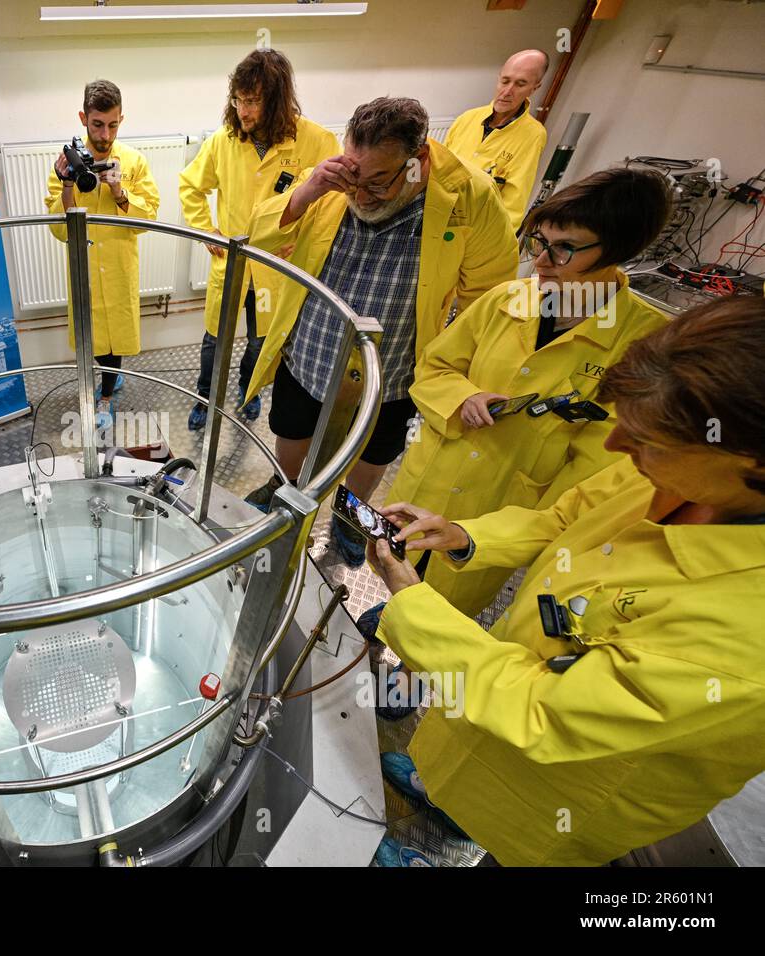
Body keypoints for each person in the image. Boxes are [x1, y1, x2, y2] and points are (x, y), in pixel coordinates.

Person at [366, 295, 765, 866]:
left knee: (503, 832)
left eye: (647, 441)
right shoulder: (687, 476)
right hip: (499, 701)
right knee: (461, 765)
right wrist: (466, 536)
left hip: (557, 791)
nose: (615, 447)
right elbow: (562, 516)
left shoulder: (744, 634)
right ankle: (441, 794)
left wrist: (410, 603)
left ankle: (449, 849)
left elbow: (544, 711)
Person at [382, 166, 673, 617]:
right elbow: (435, 365)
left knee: (445, 609)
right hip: (431, 476)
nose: (538, 262)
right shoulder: (506, 300)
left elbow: (596, 476)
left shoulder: (644, 348)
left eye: (563, 250)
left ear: (616, 252)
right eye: (538, 241)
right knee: (393, 563)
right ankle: (388, 613)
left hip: (500, 511)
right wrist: (462, 398)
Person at [242, 97, 518, 567]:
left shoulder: (469, 197)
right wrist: (308, 191)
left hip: (392, 370)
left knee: (375, 447)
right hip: (310, 347)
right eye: (353, 179)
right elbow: (259, 238)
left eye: (377, 183)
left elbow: (490, 296)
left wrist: (465, 375)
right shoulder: (331, 179)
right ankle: (281, 490)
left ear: (419, 162)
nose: (361, 196)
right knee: (291, 427)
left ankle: (350, 519)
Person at [179, 49, 339, 430]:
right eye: (238, 100)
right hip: (231, 261)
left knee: (259, 341)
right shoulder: (224, 141)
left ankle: (248, 391)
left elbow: (334, 205)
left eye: (252, 101)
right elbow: (190, 187)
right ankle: (205, 396)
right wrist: (207, 230)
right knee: (215, 338)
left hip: (277, 268)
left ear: (278, 100)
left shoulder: (316, 142)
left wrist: (300, 240)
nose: (243, 111)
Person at [46, 79, 160, 430]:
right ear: (83, 118)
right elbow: (59, 226)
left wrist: (119, 190)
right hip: (85, 265)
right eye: (97, 124)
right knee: (92, 333)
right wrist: (68, 184)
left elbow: (148, 219)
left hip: (119, 262)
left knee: (117, 334)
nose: (105, 134)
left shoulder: (134, 162)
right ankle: (109, 374)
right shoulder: (68, 162)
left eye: (112, 124)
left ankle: (106, 395)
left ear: (121, 120)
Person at [444, 50, 550, 227]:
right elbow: (438, 167)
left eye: (520, 84)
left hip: (473, 226)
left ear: (535, 87)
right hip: (438, 211)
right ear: (499, 77)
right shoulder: (467, 118)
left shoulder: (533, 135)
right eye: (505, 81)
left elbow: (515, 201)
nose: (507, 91)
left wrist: (497, 247)